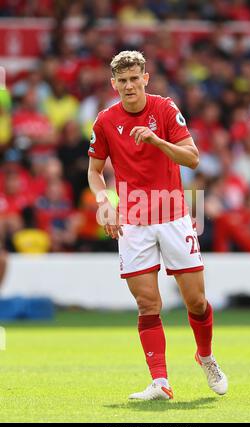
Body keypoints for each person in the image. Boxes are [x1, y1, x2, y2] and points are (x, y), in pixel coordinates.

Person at [87, 50, 228, 400]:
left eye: (135, 79)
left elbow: (193, 158)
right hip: (133, 223)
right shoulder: (105, 121)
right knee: (148, 305)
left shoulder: (164, 110)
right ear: (113, 84)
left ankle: (206, 356)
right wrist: (105, 203)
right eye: (122, 81)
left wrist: (156, 140)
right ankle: (161, 382)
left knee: (196, 301)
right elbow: (94, 172)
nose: (129, 86)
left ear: (145, 79)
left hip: (174, 215)